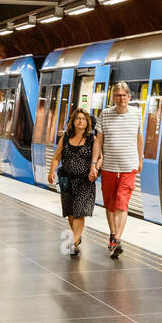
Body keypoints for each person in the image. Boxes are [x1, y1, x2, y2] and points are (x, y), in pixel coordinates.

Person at [92, 81, 142, 259]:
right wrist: (94, 162)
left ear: (129, 97)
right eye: (118, 95)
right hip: (109, 167)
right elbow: (98, 140)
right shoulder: (105, 115)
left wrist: (140, 158)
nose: (121, 98)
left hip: (129, 167)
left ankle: (118, 239)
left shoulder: (137, 114)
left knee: (122, 203)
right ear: (113, 97)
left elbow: (139, 137)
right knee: (110, 204)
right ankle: (113, 234)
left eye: (124, 95)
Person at [48, 107, 96, 256]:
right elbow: (57, 156)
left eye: (83, 119)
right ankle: (77, 235)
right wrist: (51, 171)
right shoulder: (66, 138)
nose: (80, 121)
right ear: (73, 121)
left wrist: (95, 168)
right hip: (66, 178)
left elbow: (99, 157)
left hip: (85, 180)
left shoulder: (91, 140)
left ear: (87, 122)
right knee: (70, 210)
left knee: (79, 210)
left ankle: (74, 240)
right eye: (77, 118)